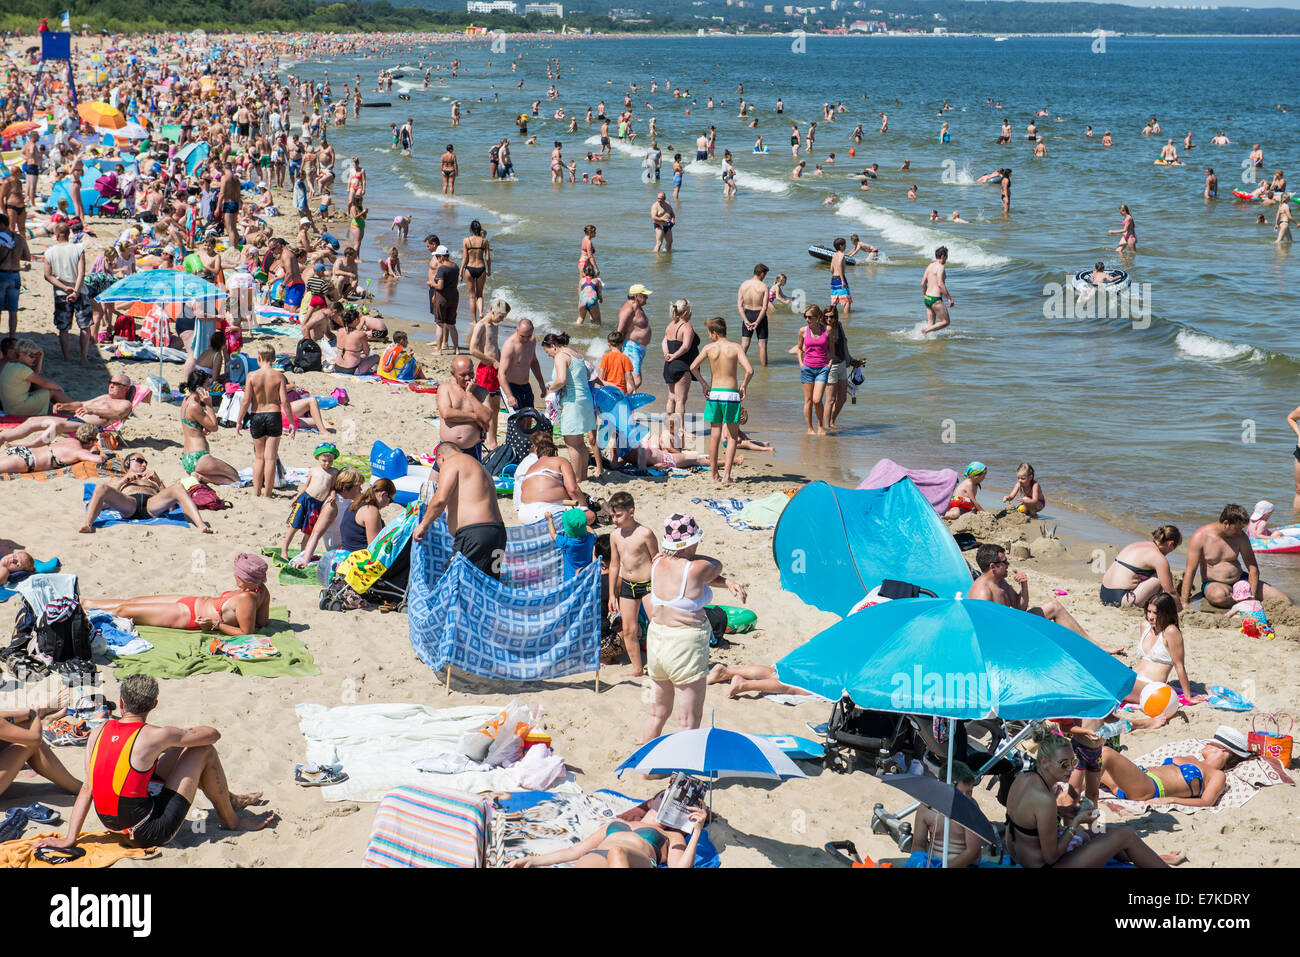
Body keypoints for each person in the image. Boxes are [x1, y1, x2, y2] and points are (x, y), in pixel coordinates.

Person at [33, 674, 274, 853]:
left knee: (171, 753)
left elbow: (88, 788)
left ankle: (230, 800)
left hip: (114, 826)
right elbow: (213, 734)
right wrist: (178, 736)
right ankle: (231, 820)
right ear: (154, 704)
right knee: (203, 752)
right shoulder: (157, 734)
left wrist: (69, 838)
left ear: (122, 702)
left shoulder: (99, 731)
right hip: (148, 832)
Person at [1004, 725, 1175, 868]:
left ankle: (1148, 859)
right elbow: (1051, 857)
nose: (1071, 770)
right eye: (1064, 764)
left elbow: (1029, 817)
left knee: (1105, 832)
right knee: (1125, 835)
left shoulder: (1025, 778)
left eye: (1073, 762)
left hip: (1022, 855)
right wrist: (1076, 822)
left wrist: (1063, 811)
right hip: (1043, 864)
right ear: (1044, 762)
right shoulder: (1045, 799)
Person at [643, 513, 747, 742]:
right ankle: (683, 775)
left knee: (657, 713)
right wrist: (690, 552)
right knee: (688, 722)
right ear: (690, 543)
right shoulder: (695, 568)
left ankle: (647, 771)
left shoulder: (658, 561)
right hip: (684, 645)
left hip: (657, 641)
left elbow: (703, 576)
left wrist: (726, 582)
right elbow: (716, 566)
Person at [87, 554, 271, 635]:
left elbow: (248, 633)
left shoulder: (247, 599)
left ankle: (81, 610)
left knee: (124, 610)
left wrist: (216, 625)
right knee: (132, 601)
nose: (234, 575)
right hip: (193, 601)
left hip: (189, 616)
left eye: (238, 575)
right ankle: (85, 602)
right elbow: (262, 622)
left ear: (247, 577)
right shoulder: (262, 590)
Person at [969, 543, 1109, 647]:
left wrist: (1024, 585)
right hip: (1005, 639)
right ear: (993, 567)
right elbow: (986, 632)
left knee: (1055, 606)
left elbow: (1020, 607)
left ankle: (1092, 644)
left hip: (1013, 626)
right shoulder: (982, 592)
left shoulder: (1001, 582)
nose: (1008, 564)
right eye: (1004, 562)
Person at [506, 803, 707, 868]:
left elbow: (680, 866)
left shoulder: (670, 835)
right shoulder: (615, 823)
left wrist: (696, 830)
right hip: (598, 856)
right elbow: (574, 851)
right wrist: (532, 860)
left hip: (632, 859)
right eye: (661, 798)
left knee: (617, 851)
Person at [413, 443, 507, 580]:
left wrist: (423, 525)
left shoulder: (452, 462)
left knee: (453, 581)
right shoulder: (481, 468)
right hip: (498, 534)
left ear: (441, 457)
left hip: (476, 534)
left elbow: (440, 498)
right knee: (487, 587)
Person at [1098, 726, 1250, 808]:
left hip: (1148, 789)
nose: (1206, 744)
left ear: (1223, 750)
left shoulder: (1217, 775)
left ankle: (1074, 800)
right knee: (1086, 763)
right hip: (1127, 784)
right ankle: (1075, 795)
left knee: (1106, 753)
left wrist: (1171, 800)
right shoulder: (1190, 758)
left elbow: (1206, 802)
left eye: (1211, 743)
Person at [1181, 504, 1290, 609]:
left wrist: (1251, 594)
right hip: (1214, 583)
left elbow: (1252, 567)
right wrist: (1184, 601)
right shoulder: (1200, 536)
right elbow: (1191, 570)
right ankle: (1239, 601)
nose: (1240, 532)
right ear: (1226, 523)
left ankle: (1241, 600)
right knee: (1219, 597)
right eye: (1238, 528)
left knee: (1284, 600)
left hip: (1241, 580)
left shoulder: (1241, 537)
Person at [80, 452, 213, 534]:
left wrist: (158, 481)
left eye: (145, 462)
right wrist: (122, 483)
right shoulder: (116, 480)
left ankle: (201, 525)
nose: (144, 464)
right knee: (100, 488)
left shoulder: (152, 480)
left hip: (151, 505)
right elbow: (103, 504)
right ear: (127, 463)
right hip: (129, 503)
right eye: (139, 461)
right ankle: (87, 525)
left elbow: (171, 507)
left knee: (178, 487)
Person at [691, 317, 753, 485]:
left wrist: (705, 385)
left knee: (714, 436)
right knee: (732, 437)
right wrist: (743, 386)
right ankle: (726, 476)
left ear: (715, 333)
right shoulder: (735, 347)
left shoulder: (709, 348)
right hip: (731, 394)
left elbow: (692, 368)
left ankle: (713, 476)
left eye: (709, 333)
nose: (709, 336)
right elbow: (749, 370)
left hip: (715, 393)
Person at [608, 491, 658, 679]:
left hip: (648, 585)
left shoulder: (645, 533)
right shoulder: (615, 536)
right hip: (628, 585)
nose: (615, 520)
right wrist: (612, 593)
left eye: (618, 515)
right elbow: (614, 564)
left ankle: (658, 665)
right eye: (612, 516)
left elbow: (657, 560)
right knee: (628, 629)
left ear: (631, 512)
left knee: (656, 626)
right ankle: (637, 668)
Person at [237, 343, 295, 498]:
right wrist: (291, 422)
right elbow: (285, 401)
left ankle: (256, 492)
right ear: (274, 359)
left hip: (257, 415)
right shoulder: (279, 376)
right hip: (274, 415)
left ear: (259, 358)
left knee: (259, 458)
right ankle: (268, 494)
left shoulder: (252, 376)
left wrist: (239, 420)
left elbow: (246, 401)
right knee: (270, 458)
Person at [544, 332, 600, 480]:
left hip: (573, 402)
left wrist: (549, 390)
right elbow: (587, 376)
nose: (548, 355)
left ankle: (576, 478)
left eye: (547, 351)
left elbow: (561, 380)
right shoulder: (576, 354)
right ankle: (582, 477)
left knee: (571, 443)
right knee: (580, 442)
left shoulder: (561, 356)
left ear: (553, 346)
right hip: (585, 400)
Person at [906, 762, 983, 868]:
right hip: (932, 863)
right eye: (959, 792)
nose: (965, 798)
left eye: (969, 792)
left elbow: (972, 852)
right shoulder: (926, 808)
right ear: (943, 786)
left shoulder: (971, 810)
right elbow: (918, 846)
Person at [178, 369, 239, 484]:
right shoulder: (194, 405)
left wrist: (201, 429)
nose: (209, 389)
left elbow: (192, 425)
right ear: (198, 387)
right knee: (235, 477)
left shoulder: (185, 401)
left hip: (188, 458)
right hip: (199, 457)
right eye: (207, 385)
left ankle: (200, 476)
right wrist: (209, 405)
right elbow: (214, 427)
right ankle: (200, 476)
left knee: (229, 480)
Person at [42, 223, 91, 364]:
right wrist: (76, 291)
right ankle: (83, 357)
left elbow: (47, 275)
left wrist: (64, 288)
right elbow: (81, 273)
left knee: (63, 327)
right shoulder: (78, 248)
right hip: (80, 291)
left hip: (61, 293)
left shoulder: (50, 252)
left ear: (56, 234)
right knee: (85, 326)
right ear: (69, 234)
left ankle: (66, 357)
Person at [1099, 525, 1183, 608]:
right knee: (1163, 575)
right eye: (1174, 547)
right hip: (1120, 600)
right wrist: (1179, 608)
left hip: (1104, 594)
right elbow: (1170, 592)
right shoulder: (1159, 558)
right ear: (1170, 544)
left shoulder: (1136, 545)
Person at [282, 443, 339, 561]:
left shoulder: (334, 472)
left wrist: (333, 494)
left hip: (317, 504)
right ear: (318, 458)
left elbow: (333, 487)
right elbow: (305, 486)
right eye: (324, 460)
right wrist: (296, 497)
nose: (327, 463)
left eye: (330, 461)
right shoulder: (314, 470)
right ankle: (284, 550)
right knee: (294, 526)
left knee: (309, 530)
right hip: (305, 499)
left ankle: (303, 553)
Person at [438, 356, 491, 461]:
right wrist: (475, 417)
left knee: (472, 476)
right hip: (448, 448)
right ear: (453, 373)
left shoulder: (482, 392)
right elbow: (447, 414)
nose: (468, 378)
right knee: (437, 478)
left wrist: (470, 395)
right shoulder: (445, 388)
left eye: (470, 373)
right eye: (462, 375)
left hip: (472, 449)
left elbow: (486, 417)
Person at [0, 340, 70, 416]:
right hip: (19, 409)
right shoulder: (23, 369)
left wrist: (40, 359)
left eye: (36, 356)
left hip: (9, 409)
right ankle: (77, 407)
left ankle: (68, 407)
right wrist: (59, 388)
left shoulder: (10, 365)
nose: (34, 359)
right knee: (54, 391)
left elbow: (36, 376)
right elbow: (44, 382)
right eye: (32, 356)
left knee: (45, 389)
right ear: (21, 354)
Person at [0, 423, 101, 474]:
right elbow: (99, 460)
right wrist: (95, 451)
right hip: (28, 461)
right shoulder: (79, 451)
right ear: (90, 442)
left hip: (22, 451)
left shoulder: (66, 440)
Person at [796, 304, 832, 436]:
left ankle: (820, 425)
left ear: (817, 318)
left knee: (817, 400)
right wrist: (801, 363)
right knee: (808, 400)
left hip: (822, 368)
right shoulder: (803, 331)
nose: (807, 319)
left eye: (810, 317)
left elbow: (831, 350)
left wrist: (829, 364)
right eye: (805, 317)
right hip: (807, 368)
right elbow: (799, 348)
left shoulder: (827, 330)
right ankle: (810, 428)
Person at [661, 299, 700, 420]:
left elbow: (664, 341)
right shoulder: (687, 326)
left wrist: (667, 353)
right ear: (686, 312)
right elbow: (685, 347)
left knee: (671, 398)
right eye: (690, 311)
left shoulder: (670, 325)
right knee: (680, 400)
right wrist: (674, 356)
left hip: (669, 366)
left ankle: (670, 427)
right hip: (682, 366)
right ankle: (680, 429)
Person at [499, 318, 547, 412]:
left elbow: (533, 362)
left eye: (528, 336)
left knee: (529, 416)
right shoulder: (510, 346)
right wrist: (509, 396)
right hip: (511, 386)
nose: (525, 339)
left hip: (525, 386)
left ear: (532, 332)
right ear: (517, 330)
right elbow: (501, 374)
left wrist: (541, 383)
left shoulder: (532, 341)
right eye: (522, 336)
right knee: (518, 420)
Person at [339, 478, 395, 553]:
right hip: (358, 559)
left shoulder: (357, 503)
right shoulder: (371, 511)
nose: (388, 505)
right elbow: (375, 548)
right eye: (390, 500)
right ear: (383, 494)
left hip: (347, 553)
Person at [617, 285, 653, 391]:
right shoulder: (628, 309)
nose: (647, 297)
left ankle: (626, 403)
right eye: (644, 295)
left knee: (632, 380)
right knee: (636, 380)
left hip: (638, 348)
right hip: (631, 347)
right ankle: (621, 401)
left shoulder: (638, 307)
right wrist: (616, 350)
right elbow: (620, 330)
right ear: (637, 296)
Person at [737, 263, 771, 366]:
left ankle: (739, 366)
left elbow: (739, 305)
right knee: (762, 345)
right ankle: (764, 370)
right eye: (764, 274)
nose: (764, 277)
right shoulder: (764, 286)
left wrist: (746, 320)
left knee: (745, 344)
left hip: (747, 314)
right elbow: (765, 307)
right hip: (759, 315)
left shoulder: (744, 285)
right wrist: (757, 322)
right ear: (761, 273)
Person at [429, 245, 460, 355]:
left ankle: (438, 350)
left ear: (442, 256)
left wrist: (431, 283)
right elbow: (456, 283)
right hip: (454, 297)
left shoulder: (442, 268)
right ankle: (456, 349)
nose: (437, 259)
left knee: (439, 324)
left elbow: (440, 286)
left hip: (442, 298)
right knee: (452, 325)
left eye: (437, 256)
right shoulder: (455, 266)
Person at [460, 220, 491, 324]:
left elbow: (464, 258)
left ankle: (474, 320)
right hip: (481, 268)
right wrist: (489, 270)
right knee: (480, 295)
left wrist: (460, 273)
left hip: (469, 268)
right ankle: (481, 313)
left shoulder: (466, 241)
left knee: (471, 296)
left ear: (471, 229)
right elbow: (487, 258)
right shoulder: (484, 241)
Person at [920, 246, 953, 335]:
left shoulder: (930, 266)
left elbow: (922, 284)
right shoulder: (940, 267)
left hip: (927, 298)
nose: (947, 259)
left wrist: (926, 295)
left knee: (931, 325)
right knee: (946, 322)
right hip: (935, 299)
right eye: (947, 256)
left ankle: (929, 345)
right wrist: (949, 298)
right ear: (943, 256)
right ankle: (924, 331)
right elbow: (940, 283)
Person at [599, 330, 635, 395]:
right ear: (622, 344)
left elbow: (601, 373)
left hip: (608, 389)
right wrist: (634, 389)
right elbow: (629, 375)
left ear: (608, 344)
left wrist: (600, 387)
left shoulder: (605, 357)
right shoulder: (625, 358)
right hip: (620, 390)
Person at [829, 238, 852, 317]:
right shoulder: (841, 255)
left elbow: (831, 269)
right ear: (841, 246)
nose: (846, 246)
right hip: (840, 278)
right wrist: (842, 280)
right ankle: (846, 318)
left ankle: (831, 316)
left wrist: (835, 275)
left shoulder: (834, 255)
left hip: (833, 279)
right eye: (844, 244)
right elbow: (839, 265)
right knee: (847, 301)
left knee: (834, 301)